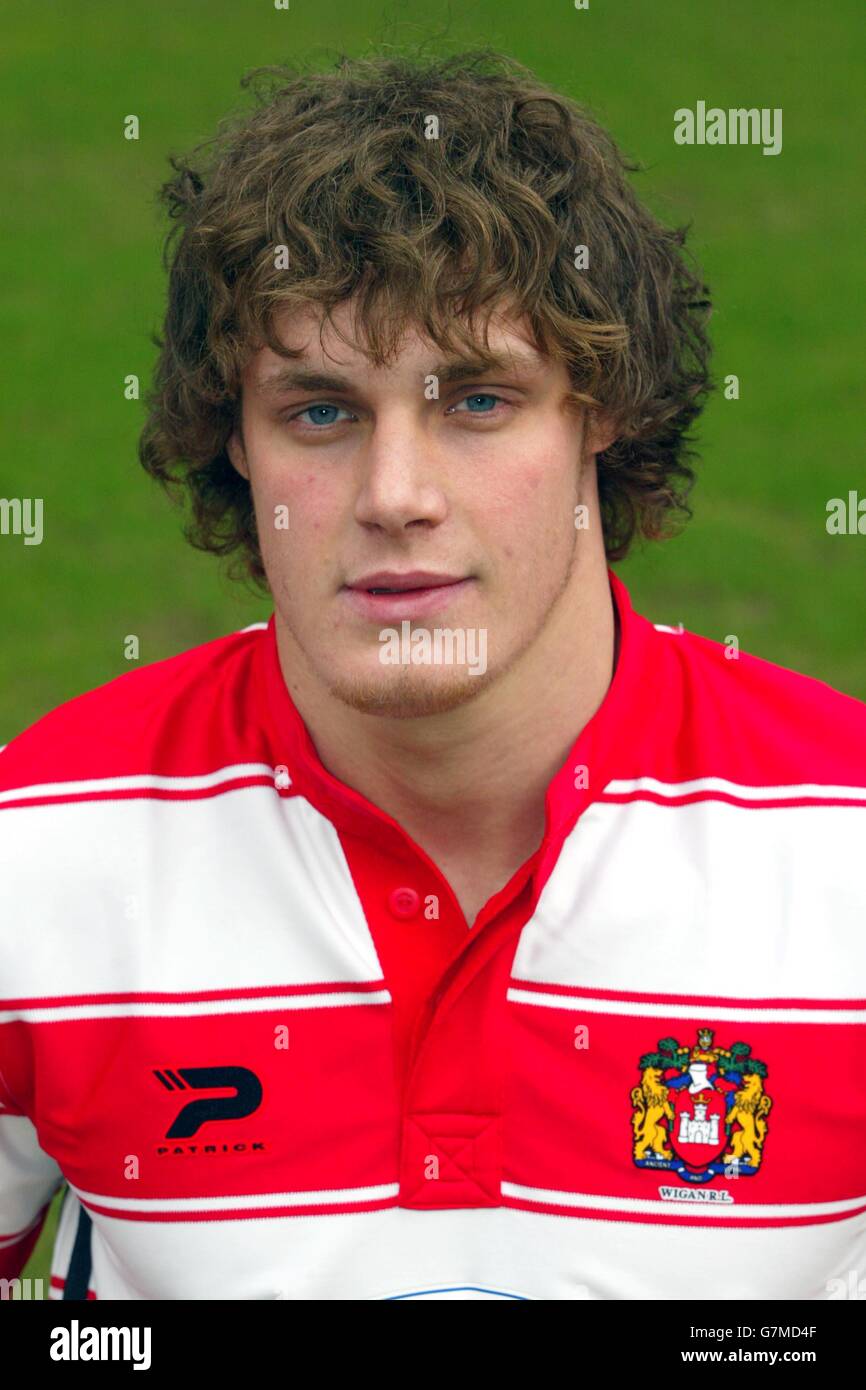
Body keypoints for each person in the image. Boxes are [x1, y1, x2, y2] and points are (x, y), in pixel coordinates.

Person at [1, 49, 864, 1303]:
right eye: (318, 412)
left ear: (599, 411)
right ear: (230, 438)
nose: (393, 497)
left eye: (474, 401)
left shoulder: (842, 846)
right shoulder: (39, 844)